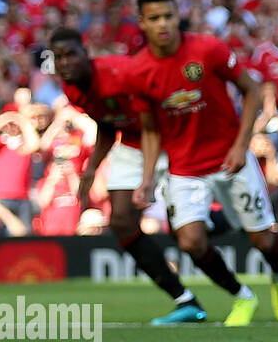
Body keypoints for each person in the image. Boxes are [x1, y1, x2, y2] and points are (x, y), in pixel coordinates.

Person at [124, 0, 278, 327]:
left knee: (262, 239)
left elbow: (251, 91)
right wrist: (146, 180)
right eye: (154, 18)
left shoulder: (207, 49)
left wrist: (240, 144)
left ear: (178, 16)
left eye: (169, 16)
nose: (163, 24)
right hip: (185, 167)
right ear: (142, 22)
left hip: (229, 159)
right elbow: (149, 129)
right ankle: (242, 296)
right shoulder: (138, 70)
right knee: (190, 241)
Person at [51, 27, 215, 324]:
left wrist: (147, 179)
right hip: (130, 143)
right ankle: (185, 300)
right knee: (121, 222)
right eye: (58, 57)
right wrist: (91, 170)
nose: (64, 63)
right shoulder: (71, 88)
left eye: (70, 55)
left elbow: (152, 123)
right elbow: (107, 122)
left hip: (168, 138)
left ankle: (218, 223)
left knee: (188, 233)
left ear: (86, 54)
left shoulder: (119, 74)